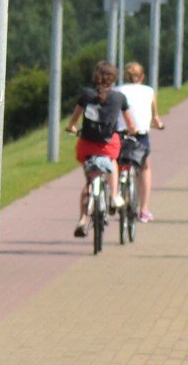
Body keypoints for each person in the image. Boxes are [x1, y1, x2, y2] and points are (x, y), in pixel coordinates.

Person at [66, 60, 136, 238]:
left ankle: (82, 220)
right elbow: (130, 124)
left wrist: (71, 128)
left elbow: (73, 120)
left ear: (96, 77)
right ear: (113, 79)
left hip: (87, 145)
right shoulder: (119, 98)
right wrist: (132, 130)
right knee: (112, 162)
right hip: (108, 145)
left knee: (89, 182)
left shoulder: (86, 95)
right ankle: (113, 195)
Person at [114, 61, 165, 222]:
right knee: (145, 168)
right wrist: (158, 124)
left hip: (121, 135)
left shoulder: (117, 91)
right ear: (142, 77)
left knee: (115, 164)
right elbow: (155, 117)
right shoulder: (149, 91)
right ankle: (144, 209)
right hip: (140, 136)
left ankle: (117, 196)